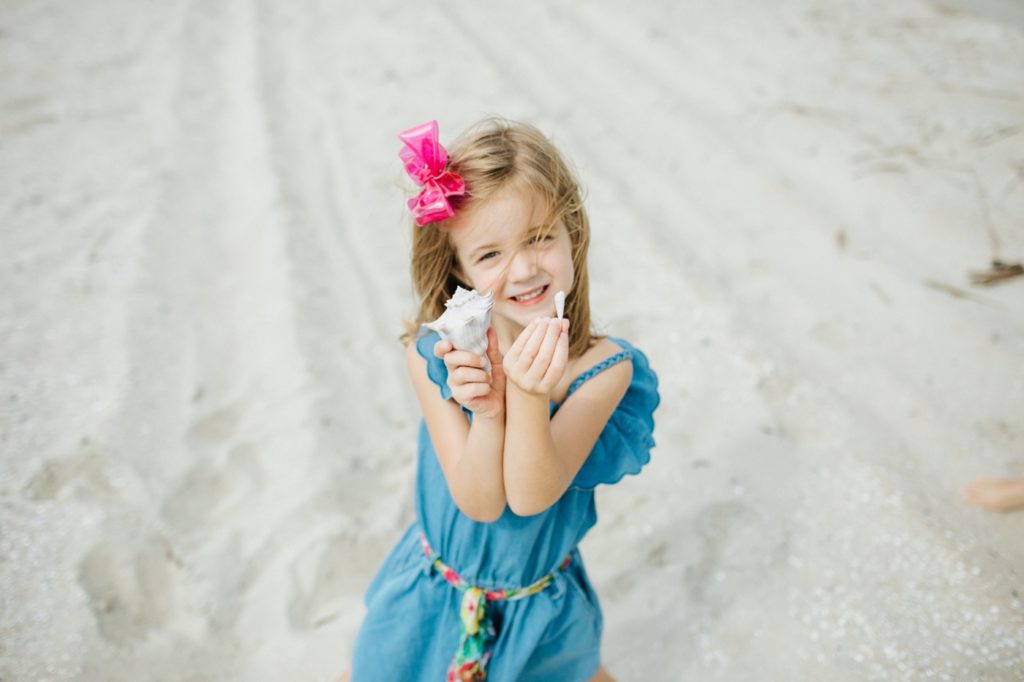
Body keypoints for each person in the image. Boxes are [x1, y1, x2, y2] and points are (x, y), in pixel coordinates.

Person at [339, 118, 659, 682]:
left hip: (540, 610)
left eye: (540, 237)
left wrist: (530, 396)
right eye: (490, 254)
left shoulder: (604, 371)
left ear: (572, 235)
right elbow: (482, 503)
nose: (526, 268)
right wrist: (489, 411)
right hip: (435, 595)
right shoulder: (434, 357)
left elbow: (532, 495)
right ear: (457, 268)